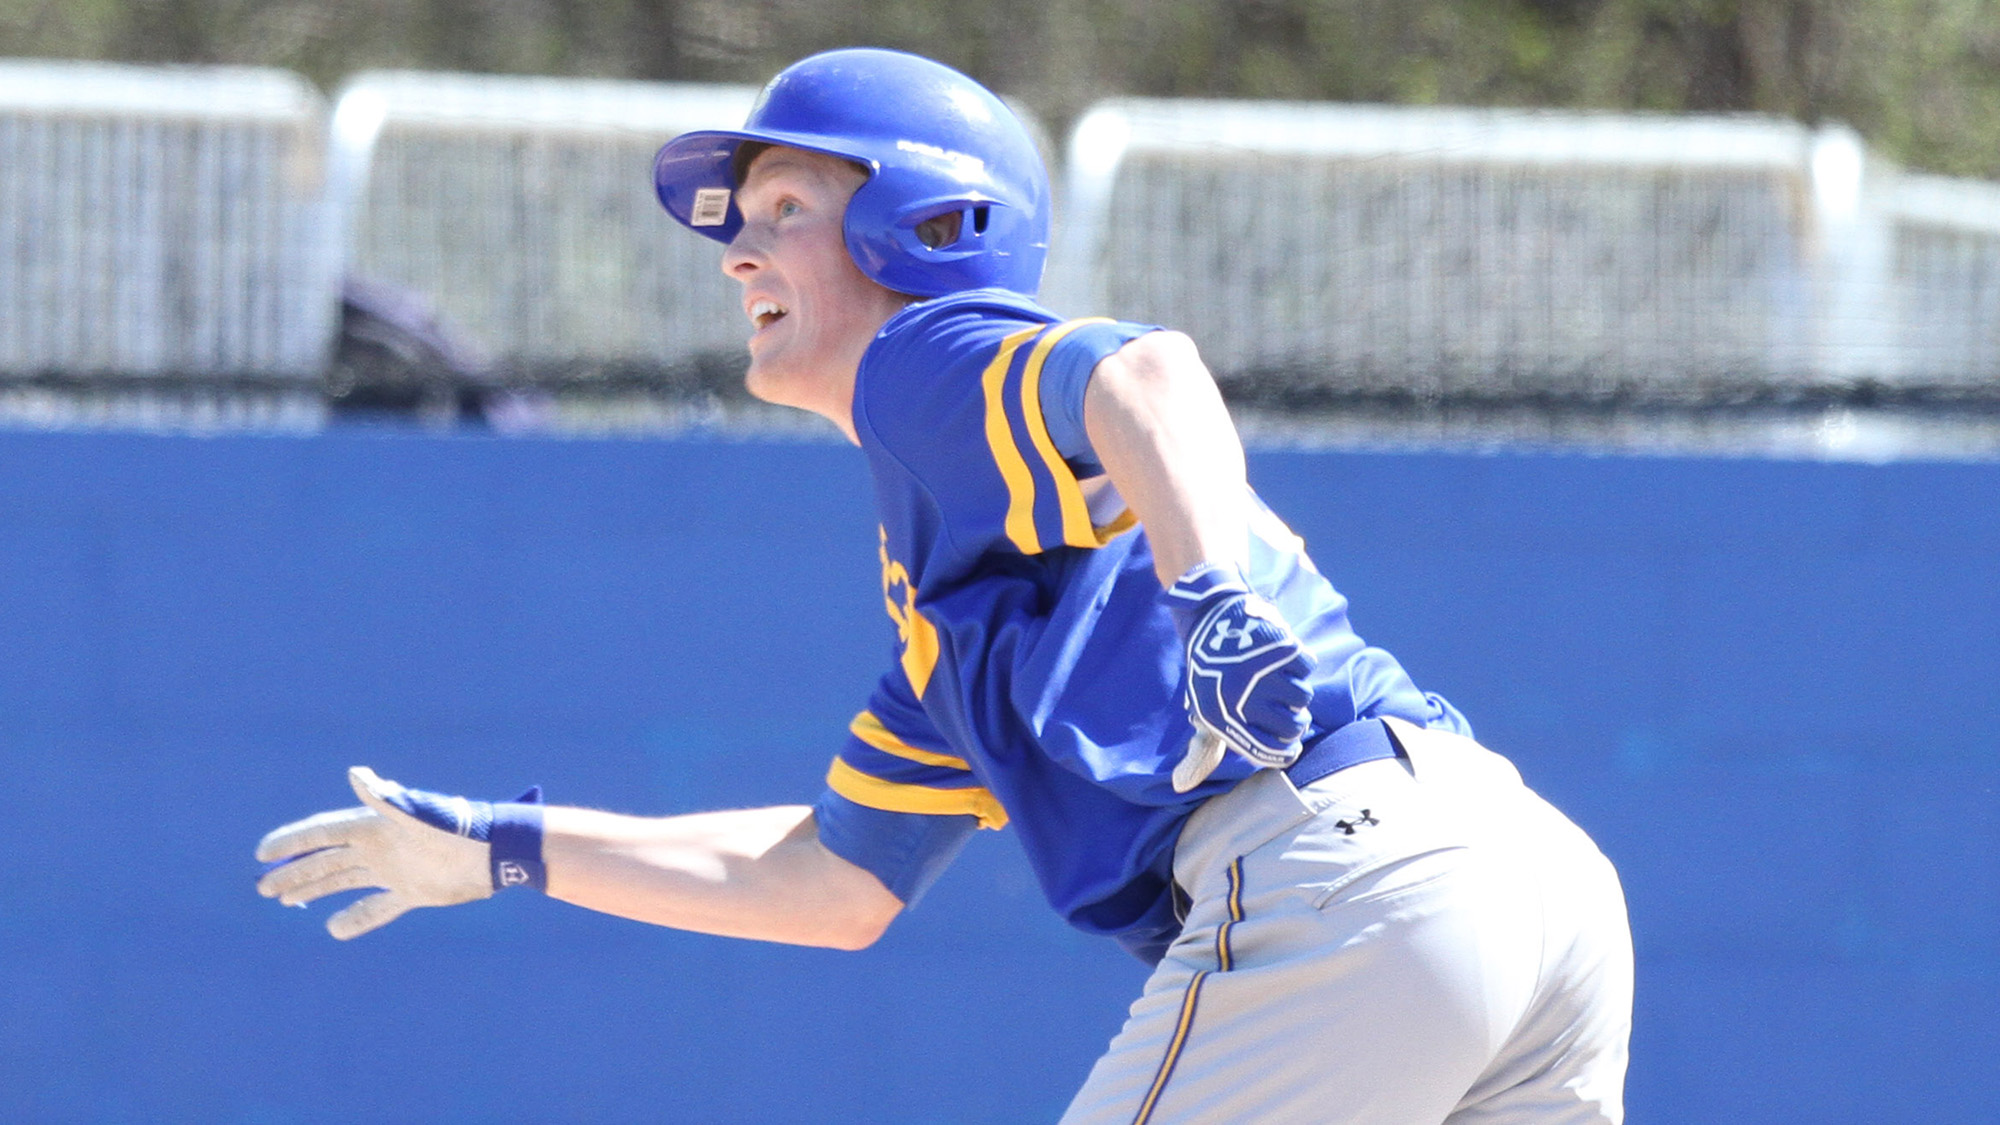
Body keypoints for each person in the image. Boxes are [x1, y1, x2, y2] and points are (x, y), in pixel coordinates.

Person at [257, 48, 1633, 1123]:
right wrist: (508, 846)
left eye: (786, 208)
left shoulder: (920, 361)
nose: (737, 252)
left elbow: (1147, 370)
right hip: (1523, 877)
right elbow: (831, 881)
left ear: (925, 223)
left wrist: (1216, 598)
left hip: (1349, 875)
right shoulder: (958, 578)